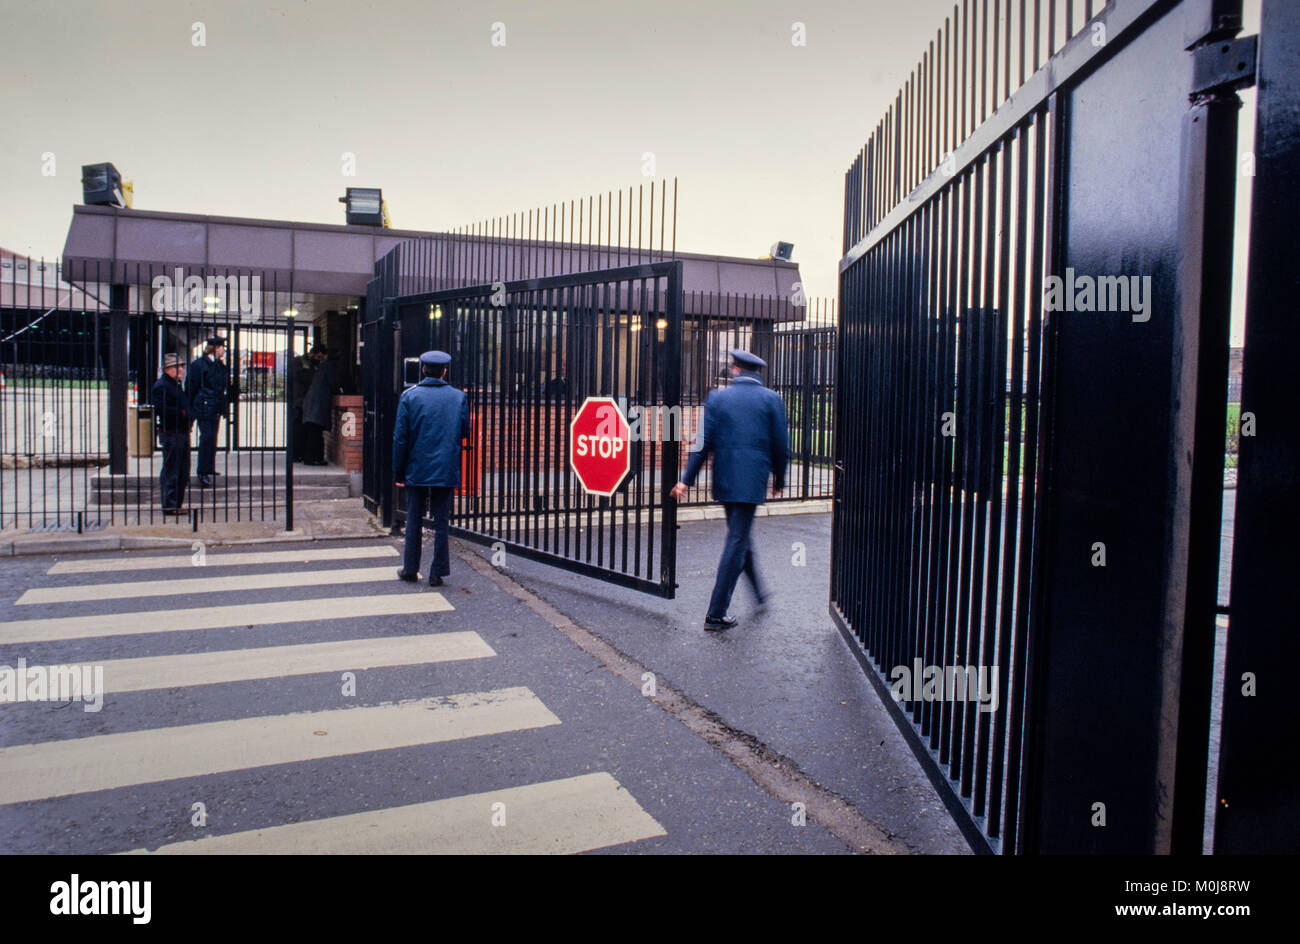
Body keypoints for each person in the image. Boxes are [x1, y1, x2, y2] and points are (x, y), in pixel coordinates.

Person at [670, 348, 790, 630]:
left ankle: (759, 593)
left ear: (735, 370)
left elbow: (703, 443)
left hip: (724, 479)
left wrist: (686, 479)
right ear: (756, 372)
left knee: (740, 537)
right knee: (737, 539)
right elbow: (781, 447)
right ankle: (715, 613)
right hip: (751, 482)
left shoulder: (718, 397)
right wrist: (780, 480)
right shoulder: (772, 400)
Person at [393, 350, 470, 587]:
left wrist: (399, 472)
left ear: (423, 369)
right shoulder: (458, 397)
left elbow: (400, 439)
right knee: (441, 521)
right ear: (445, 371)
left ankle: (410, 568)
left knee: (414, 519)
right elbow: (464, 432)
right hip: (445, 467)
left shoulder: (409, 396)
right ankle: (437, 572)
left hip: (416, 468)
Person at [151, 353, 192, 515]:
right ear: (168, 369)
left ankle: (176, 503)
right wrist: (183, 413)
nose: (181, 369)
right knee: (172, 470)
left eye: (181, 366)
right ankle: (170, 504)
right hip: (171, 433)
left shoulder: (174, 384)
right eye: (177, 366)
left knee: (182, 469)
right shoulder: (162, 386)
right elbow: (162, 409)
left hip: (180, 432)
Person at [186, 336, 229, 487]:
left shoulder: (219, 365)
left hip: (214, 406)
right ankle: (202, 471)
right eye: (222, 347)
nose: (224, 350)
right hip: (203, 406)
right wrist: (190, 408)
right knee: (207, 437)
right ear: (216, 348)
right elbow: (191, 386)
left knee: (212, 438)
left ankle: (209, 467)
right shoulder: (199, 365)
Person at [301, 346, 338, 466]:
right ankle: (314, 458)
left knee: (312, 431)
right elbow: (333, 383)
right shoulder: (329, 366)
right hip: (318, 404)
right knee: (316, 433)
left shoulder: (321, 367)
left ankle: (311, 457)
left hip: (311, 404)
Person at [291, 345, 323, 462]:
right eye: (318, 357)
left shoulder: (312, 364)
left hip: (306, 401)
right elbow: (300, 376)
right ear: (314, 353)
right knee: (297, 428)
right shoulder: (298, 361)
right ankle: (295, 454)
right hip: (299, 400)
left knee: (304, 429)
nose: (319, 359)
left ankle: (302, 453)